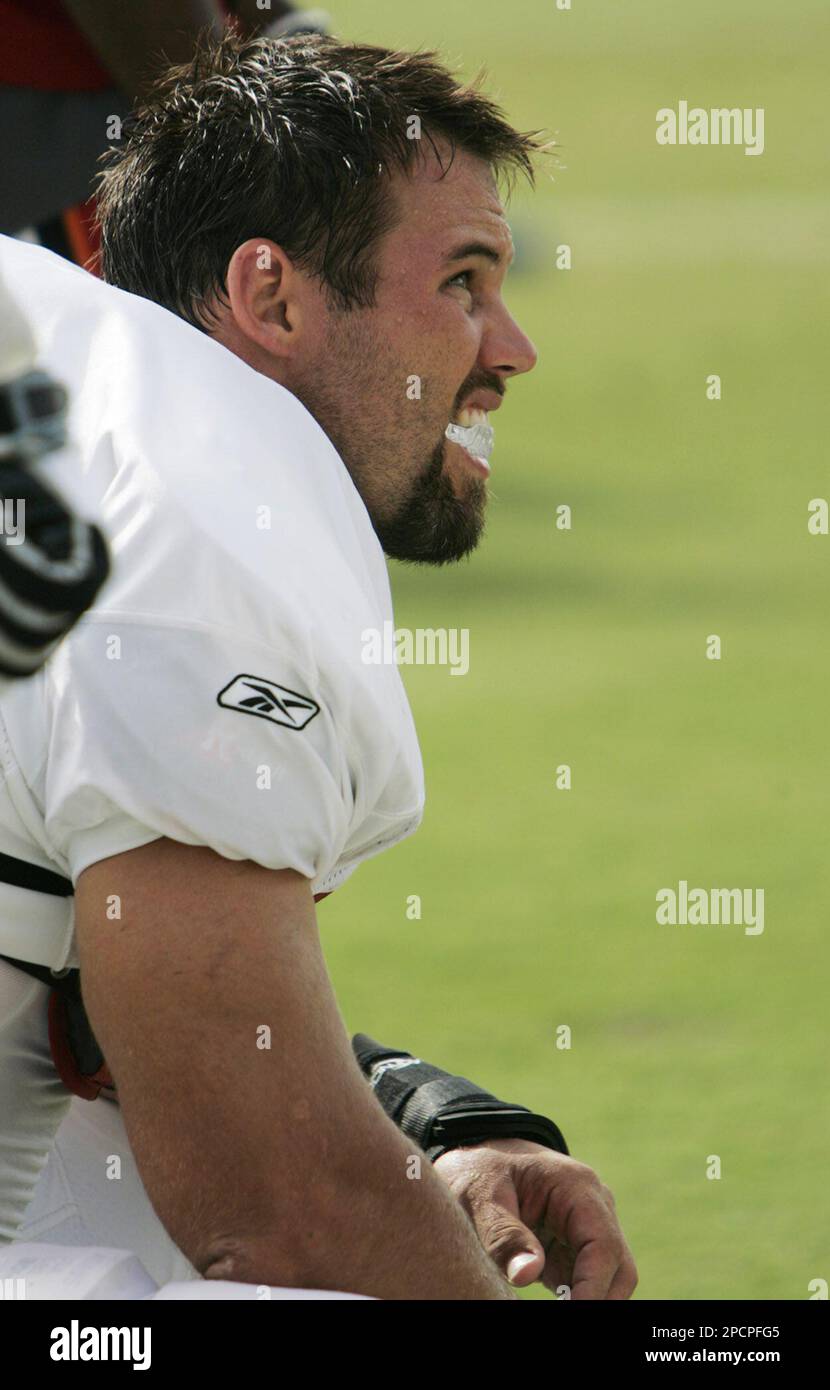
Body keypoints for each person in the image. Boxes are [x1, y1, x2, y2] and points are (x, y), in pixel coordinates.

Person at [0, 31, 638, 1300]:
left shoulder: (90, 389)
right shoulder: (216, 507)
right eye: (461, 281)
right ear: (273, 296)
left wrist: (409, 1106)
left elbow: (152, 1010)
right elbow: (286, 1213)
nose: (510, 349)